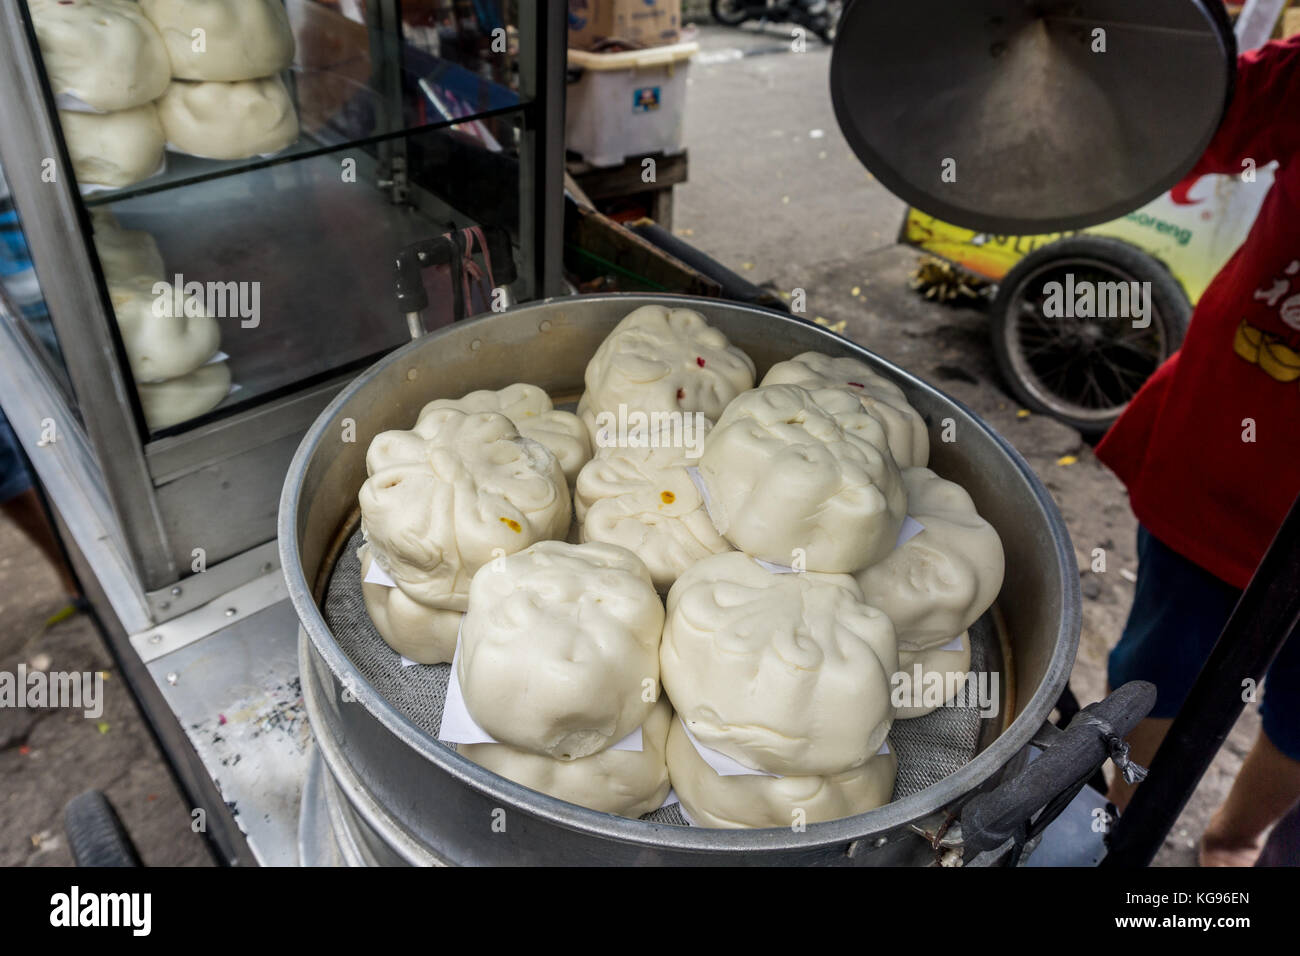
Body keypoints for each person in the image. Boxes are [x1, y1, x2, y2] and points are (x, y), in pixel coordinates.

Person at [1097, 33, 1300, 866]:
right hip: (1228, 456)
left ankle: (1231, 841)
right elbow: (1192, 117)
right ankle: (1120, 825)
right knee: (1161, 664)